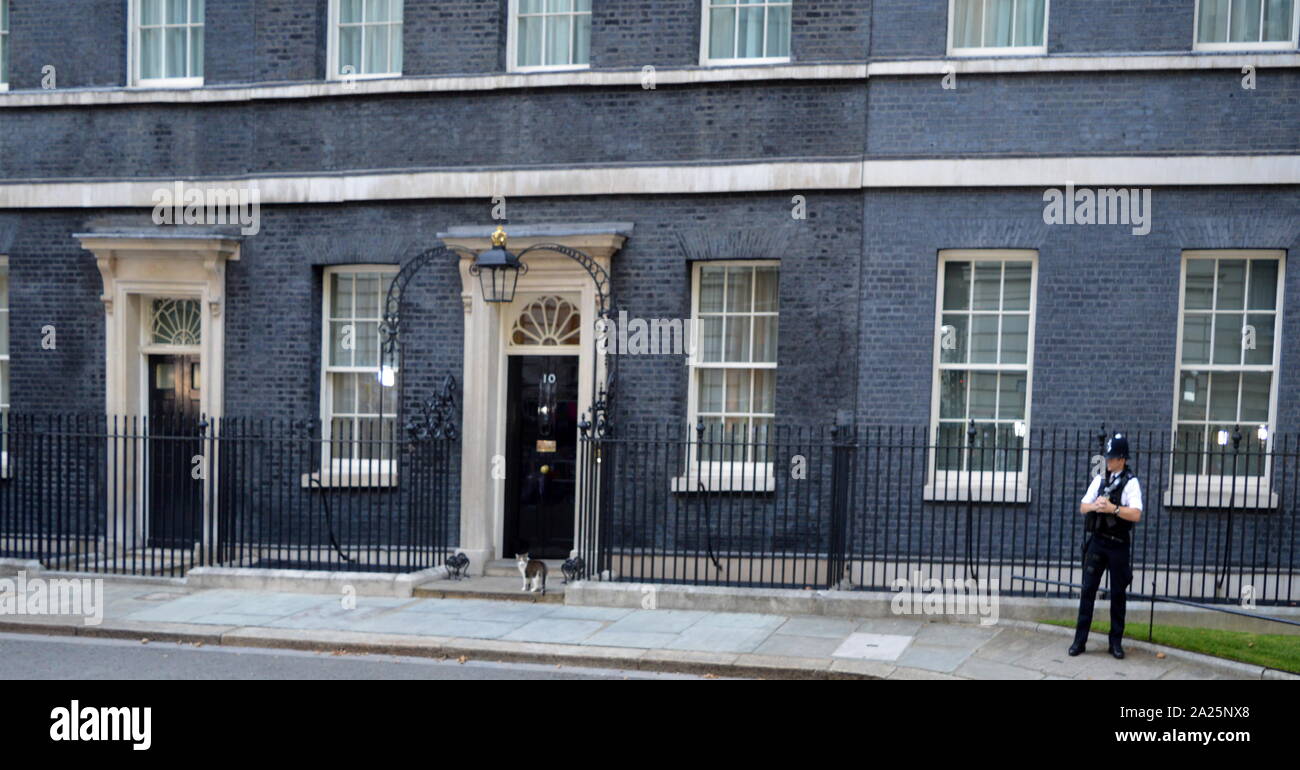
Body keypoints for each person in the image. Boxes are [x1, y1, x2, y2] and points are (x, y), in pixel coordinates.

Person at [1070, 432, 1143, 659]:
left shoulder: (1131, 482)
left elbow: (1136, 514)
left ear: (1122, 459)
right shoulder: (1100, 479)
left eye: (1112, 458)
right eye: (1108, 457)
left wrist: (1114, 509)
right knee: (1088, 590)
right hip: (1098, 542)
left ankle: (1115, 643)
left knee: (1118, 594)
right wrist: (1097, 506)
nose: (1109, 461)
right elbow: (1083, 506)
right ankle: (1079, 642)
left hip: (1119, 545)